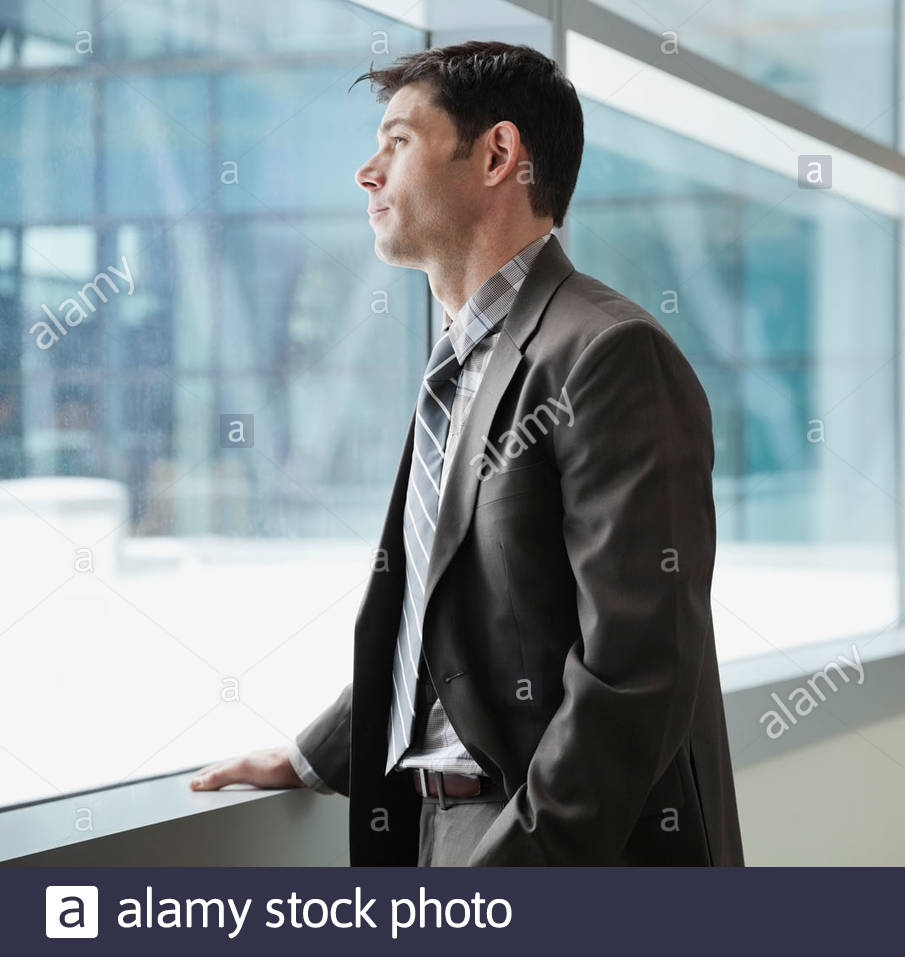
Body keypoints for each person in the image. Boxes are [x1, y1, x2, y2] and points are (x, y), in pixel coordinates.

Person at [189, 41, 743, 867]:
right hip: (436, 828)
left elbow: (638, 670)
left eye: (398, 141)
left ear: (496, 155)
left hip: (561, 845)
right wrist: (316, 753)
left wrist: (511, 873)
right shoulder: (462, 364)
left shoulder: (608, 353)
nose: (366, 173)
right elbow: (446, 618)